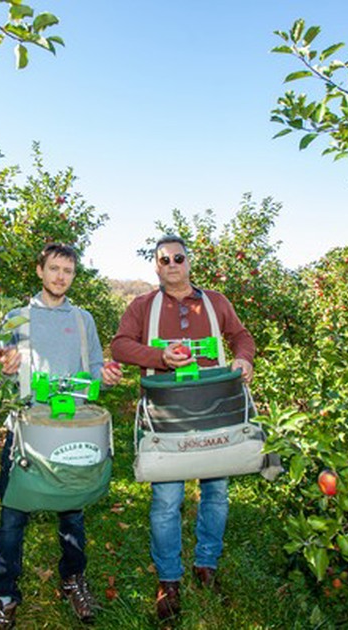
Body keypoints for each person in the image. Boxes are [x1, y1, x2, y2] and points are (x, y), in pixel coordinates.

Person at [109, 234, 255, 622]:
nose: (172, 264)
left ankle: (207, 565)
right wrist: (159, 356)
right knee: (167, 500)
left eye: (178, 258)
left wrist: (243, 359)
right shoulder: (143, 306)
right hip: (167, 414)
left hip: (214, 408)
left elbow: (241, 336)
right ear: (156, 267)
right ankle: (169, 578)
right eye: (164, 260)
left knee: (216, 493)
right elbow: (120, 346)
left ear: (189, 262)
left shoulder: (216, 302)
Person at [0, 243, 124, 630]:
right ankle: (4, 596)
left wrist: (105, 378)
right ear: (40, 270)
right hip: (26, 431)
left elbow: (94, 374)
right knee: (12, 517)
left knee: (73, 514)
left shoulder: (83, 321)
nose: (61, 277)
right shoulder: (17, 319)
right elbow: (0, 377)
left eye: (69, 271)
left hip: (71, 430)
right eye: (54, 269)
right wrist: (5, 368)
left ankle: (73, 579)